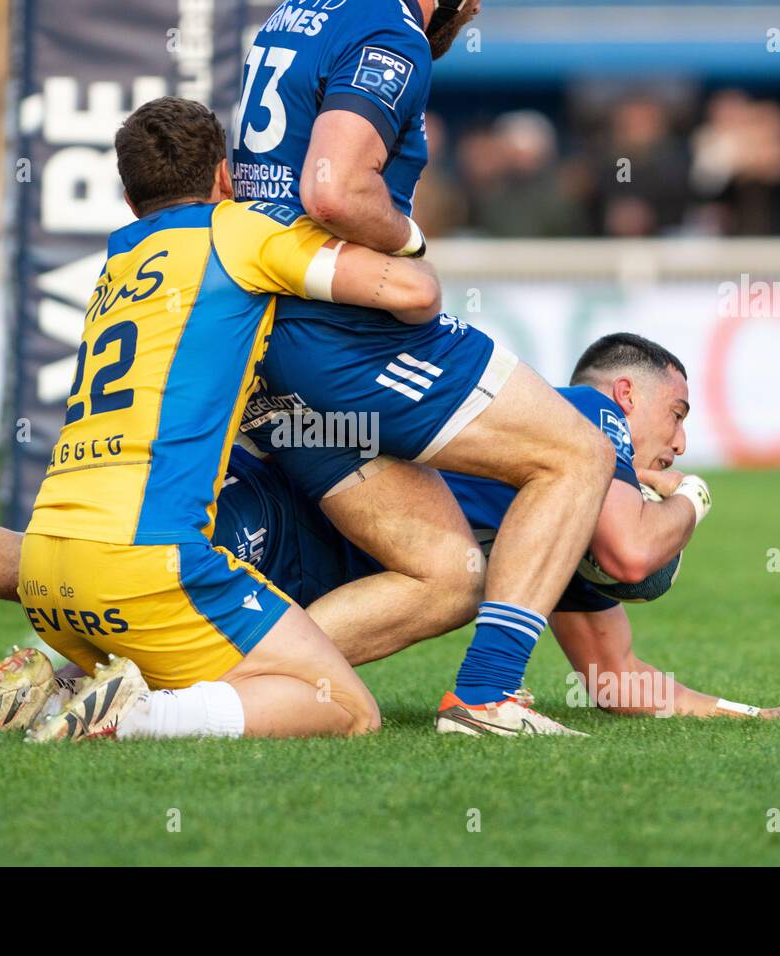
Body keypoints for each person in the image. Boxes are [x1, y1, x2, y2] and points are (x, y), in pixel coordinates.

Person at [0, 95, 448, 744]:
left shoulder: (120, 258)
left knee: (50, 685)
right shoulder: (242, 232)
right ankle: (139, 718)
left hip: (49, 557)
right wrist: (396, 233)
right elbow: (411, 292)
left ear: (130, 203)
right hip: (148, 559)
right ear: (224, 177)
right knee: (345, 707)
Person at [0, 333, 780, 733]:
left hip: (292, 557)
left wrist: (752, 713)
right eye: (677, 415)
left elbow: (617, 678)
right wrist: (695, 503)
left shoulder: (561, 544)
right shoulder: (587, 425)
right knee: (62, 598)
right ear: (627, 396)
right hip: (279, 523)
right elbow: (641, 546)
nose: (683, 439)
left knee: (77, 654)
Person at [233, 0, 616, 736]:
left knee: (447, 580)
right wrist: (407, 241)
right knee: (576, 453)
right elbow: (332, 187)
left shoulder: (296, 11)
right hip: (345, 335)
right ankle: (487, 697)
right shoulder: (388, 28)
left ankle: (192, 684)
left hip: (276, 334)